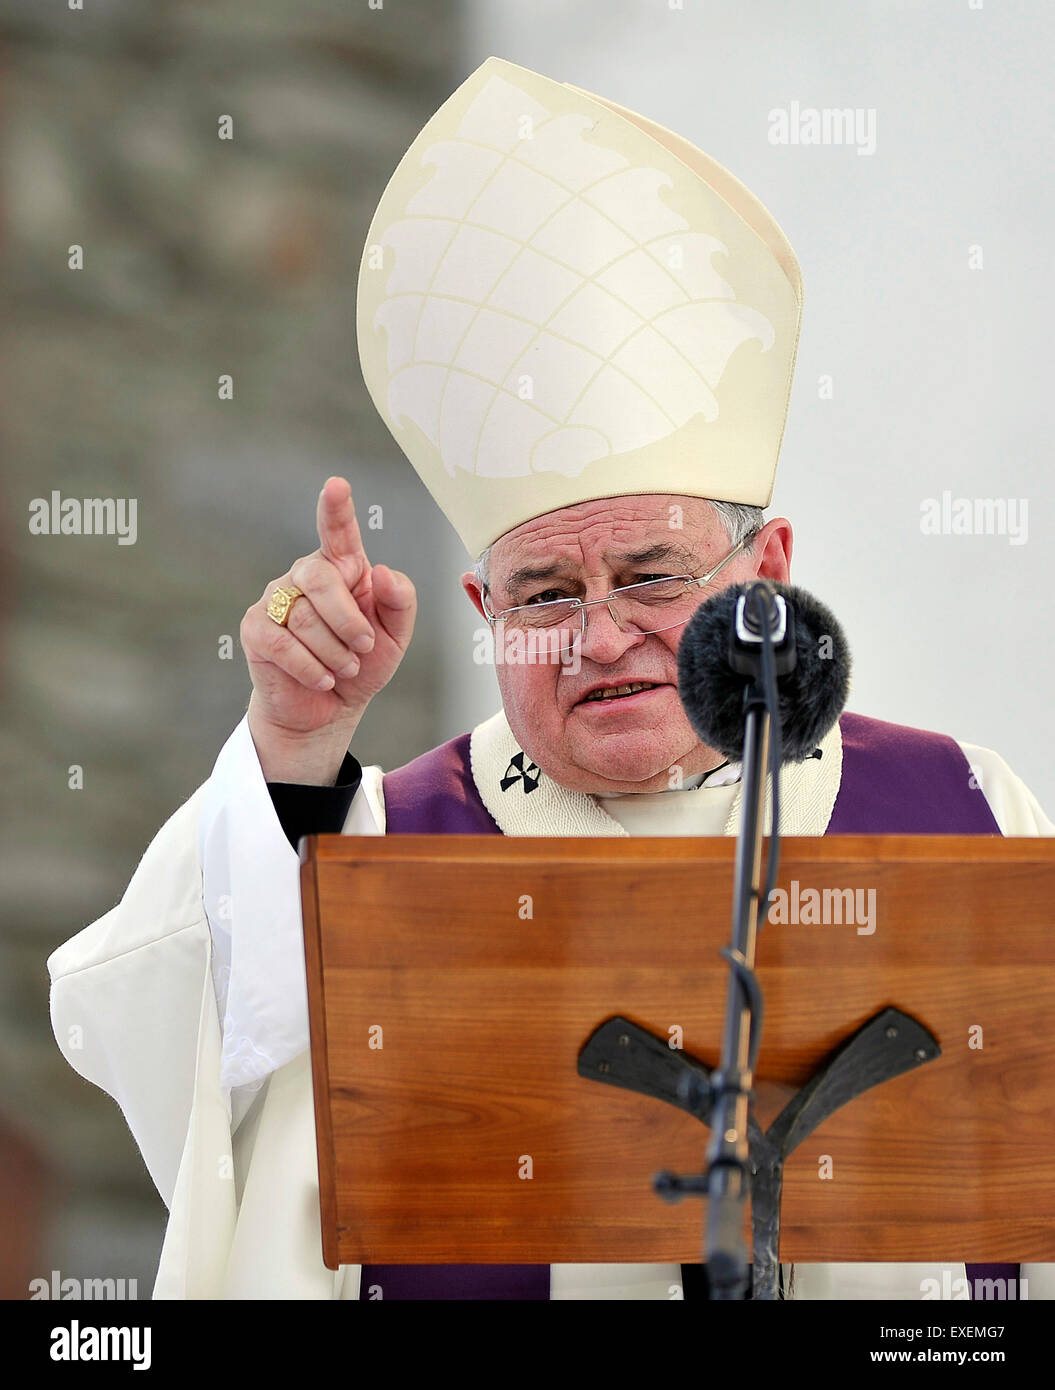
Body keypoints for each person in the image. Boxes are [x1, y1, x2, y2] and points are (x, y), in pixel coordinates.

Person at [48, 56, 1053, 1300]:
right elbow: (177, 1041)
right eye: (542, 595)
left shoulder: (963, 815)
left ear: (770, 572)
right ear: (482, 612)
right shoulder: (381, 851)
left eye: (648, 575)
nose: (597, 636)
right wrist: (292, 744)